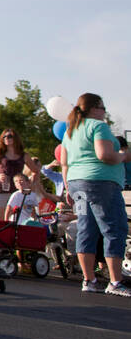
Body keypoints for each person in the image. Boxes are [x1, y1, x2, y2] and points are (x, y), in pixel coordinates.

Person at [60, 93, 131, 296]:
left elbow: (64, 162)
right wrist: (124, 155)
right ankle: (115, 282)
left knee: (86, 229)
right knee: (114, 228)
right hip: (101, 184)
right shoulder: (98, 126)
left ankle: (88, 279)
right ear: (93, 108)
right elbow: (105, 155)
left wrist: (67, 187)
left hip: (77, 184)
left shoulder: (70, 131)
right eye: (102, 107)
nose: (104, 111)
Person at [0, 130, 39, 220]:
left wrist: (30, 184)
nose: (6, 138)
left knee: (14, 221)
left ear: (15, 138)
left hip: (17, 192)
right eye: (4, 137)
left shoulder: (24, 155)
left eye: (9, 136)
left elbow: (35, 171)